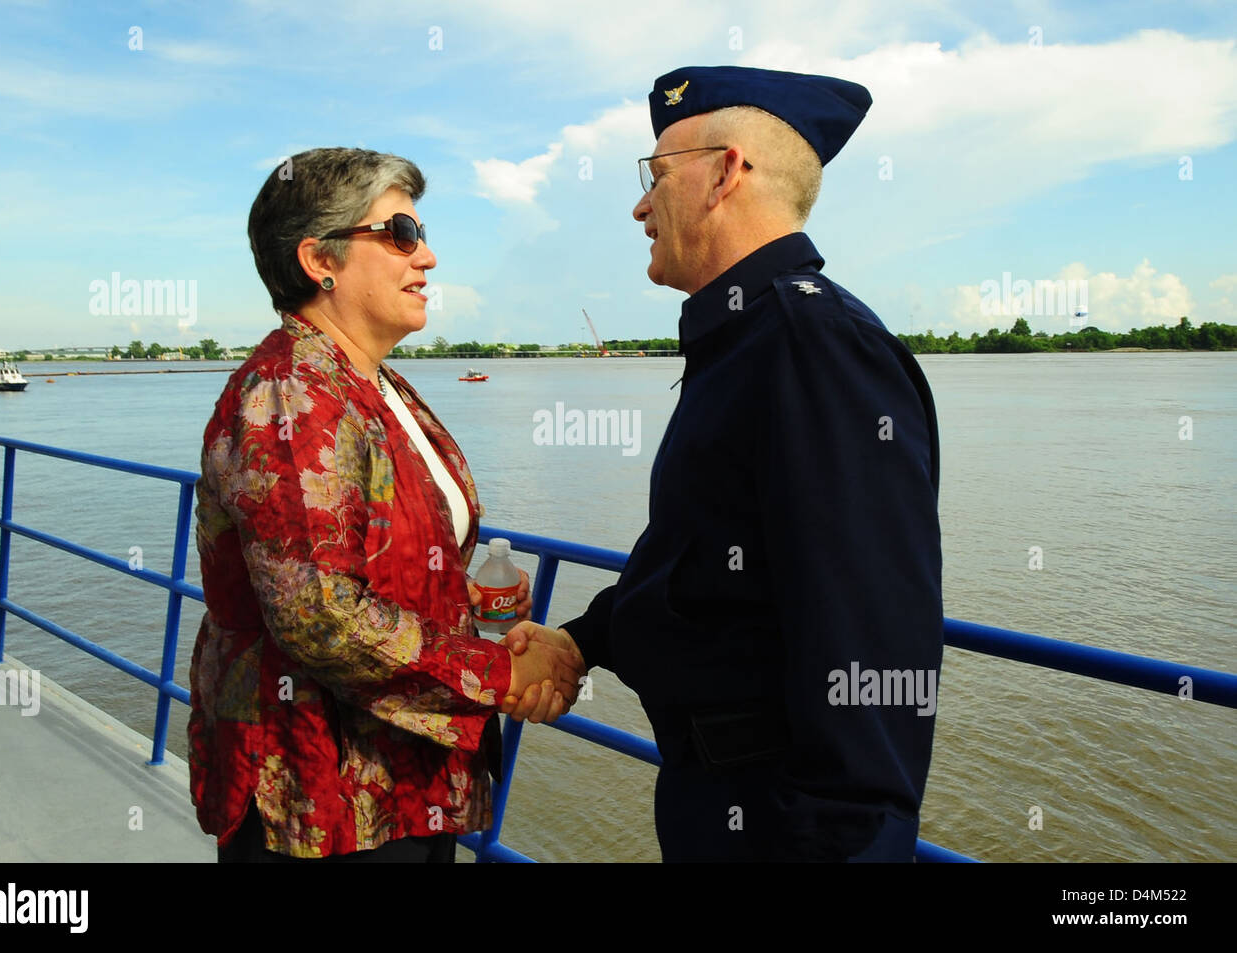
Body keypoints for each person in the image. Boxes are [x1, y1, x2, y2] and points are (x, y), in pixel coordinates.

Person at [504, 67, 943, 862]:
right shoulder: (746, 340)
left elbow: (872, 654)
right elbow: (694, 561)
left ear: (726, 172)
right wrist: (577, 640)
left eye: (657, 175)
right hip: (714, 801)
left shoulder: (815, 348)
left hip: (780, 827)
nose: (640, 205)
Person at [189, 147, 581, 862]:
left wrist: (471, 601)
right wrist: (495, 674)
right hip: (323, 798)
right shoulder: (291, 398)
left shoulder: (377, 387)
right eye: (400, 233)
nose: (426, 256)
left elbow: (376, 558)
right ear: (320, 259)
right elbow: (320, 613)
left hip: (405, 783)